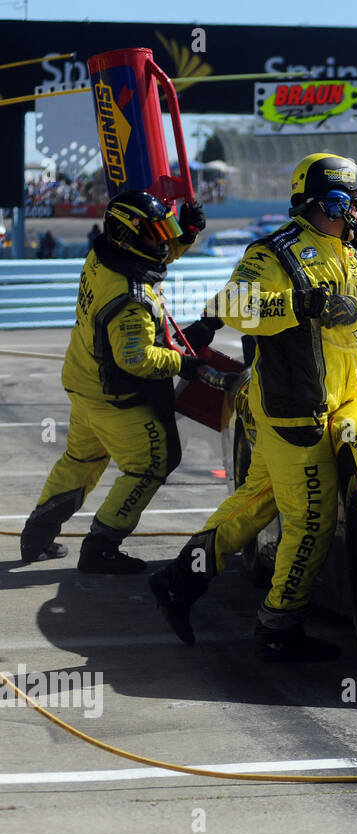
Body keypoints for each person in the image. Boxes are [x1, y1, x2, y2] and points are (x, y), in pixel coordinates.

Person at [149, 152, 357, 662]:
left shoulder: (348, 254)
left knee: (253, 505)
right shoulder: (273, 252)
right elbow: (236, 306)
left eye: (355, 202)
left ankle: (176, 582)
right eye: (339, 202)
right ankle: (278, 628)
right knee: (311, 524)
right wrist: (298, 306)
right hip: (293, 413)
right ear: (312, 202)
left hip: (331, 408)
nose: (349, 213)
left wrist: (353, 312)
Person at [20, 190, 208, 571]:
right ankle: (100, 548)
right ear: (128, 237)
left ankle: (35, 538)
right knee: (154, 462)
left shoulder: (102, 256)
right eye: (154, 234)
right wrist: (185, 366)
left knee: (81, 459)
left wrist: (184, 235)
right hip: (112, 397)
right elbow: (136, 359)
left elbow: (151, 257)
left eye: (163, 232)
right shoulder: (130, 296)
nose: (161, 242)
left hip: (83, 382)